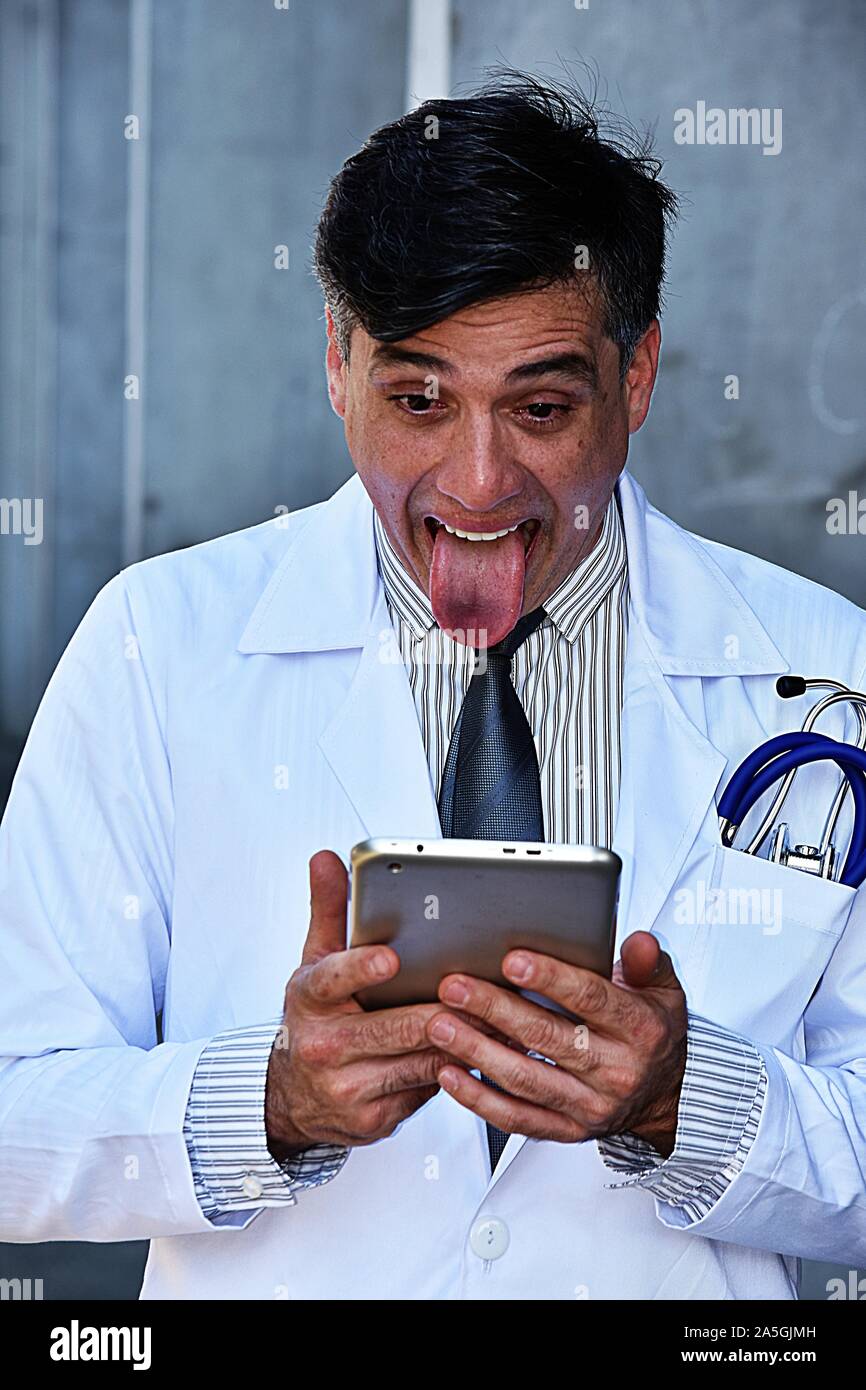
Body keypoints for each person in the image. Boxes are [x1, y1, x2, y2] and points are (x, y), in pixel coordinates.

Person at [1, 72, 865, 1300]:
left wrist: (691, 1103)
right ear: (338, 369)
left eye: (541, 406)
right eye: (416, 399)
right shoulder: (158, 645)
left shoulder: (827, 673)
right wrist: (270, 1103)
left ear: (638, 378)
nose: (474, 481)